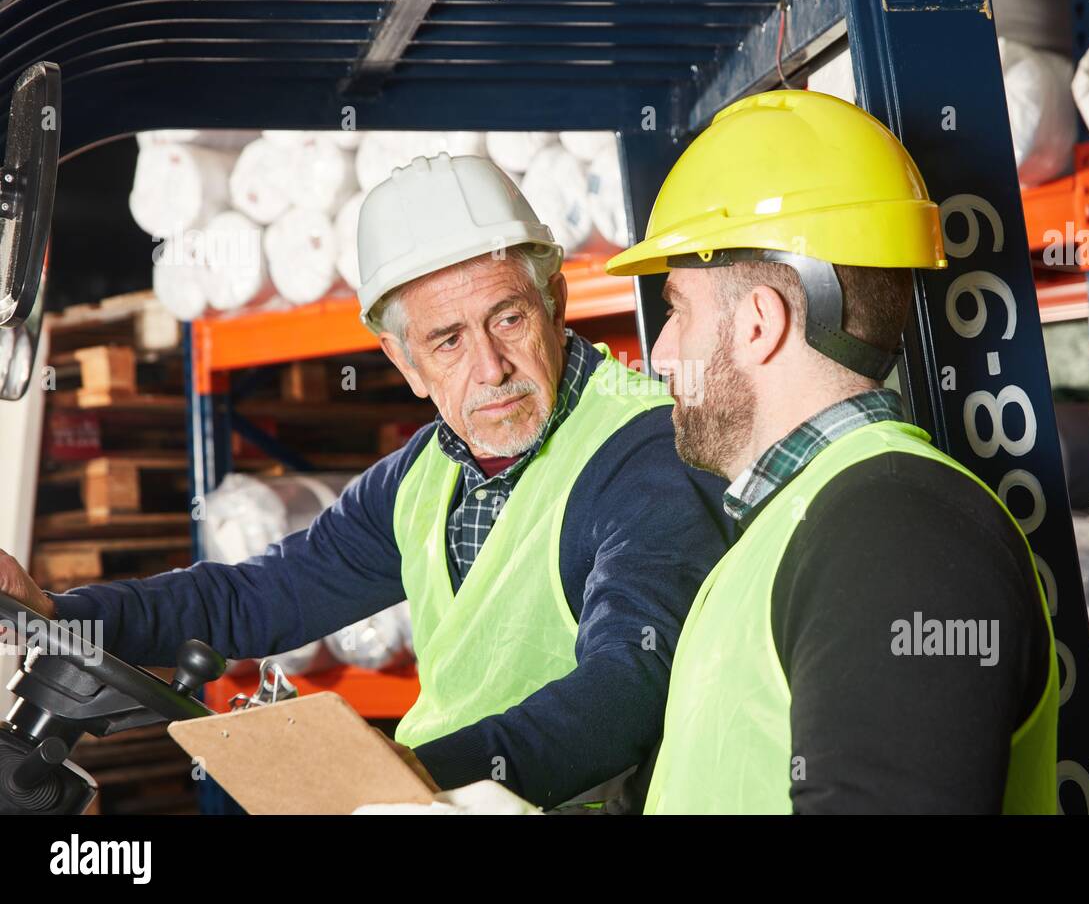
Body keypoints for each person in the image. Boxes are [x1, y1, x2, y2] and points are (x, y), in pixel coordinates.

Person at [0, 153, 732, 811]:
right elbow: (254, 599)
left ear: (555, 303)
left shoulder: (645, 453)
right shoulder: (422, 477)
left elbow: (629, 684)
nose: (490, 367)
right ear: (403, 360)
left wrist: (399, 783)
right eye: (448, 340)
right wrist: (66, 613)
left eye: (507, 318)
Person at [605, 89, 1058, 813]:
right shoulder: (821, 519)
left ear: (759, 324)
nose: (660, 355)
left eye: (676, 312)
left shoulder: (894, 532)